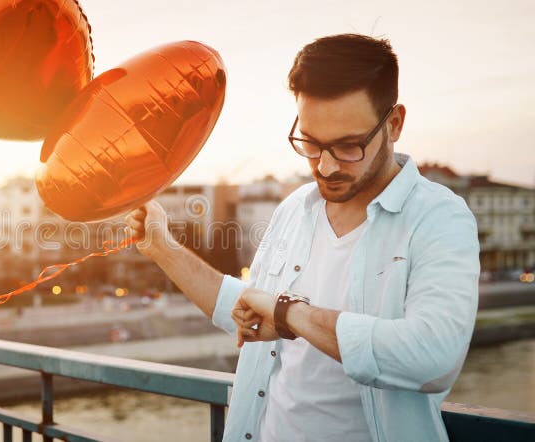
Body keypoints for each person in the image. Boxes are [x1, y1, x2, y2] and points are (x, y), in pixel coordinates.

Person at [125, 33, 479, 441]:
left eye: (348, 146)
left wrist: (288, 314)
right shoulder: (295, 208)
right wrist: (162, 247)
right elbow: (250, 309)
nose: (325, 167)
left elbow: (433, 359)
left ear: (394, 124)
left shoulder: (440, 217)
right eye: (310, 143)